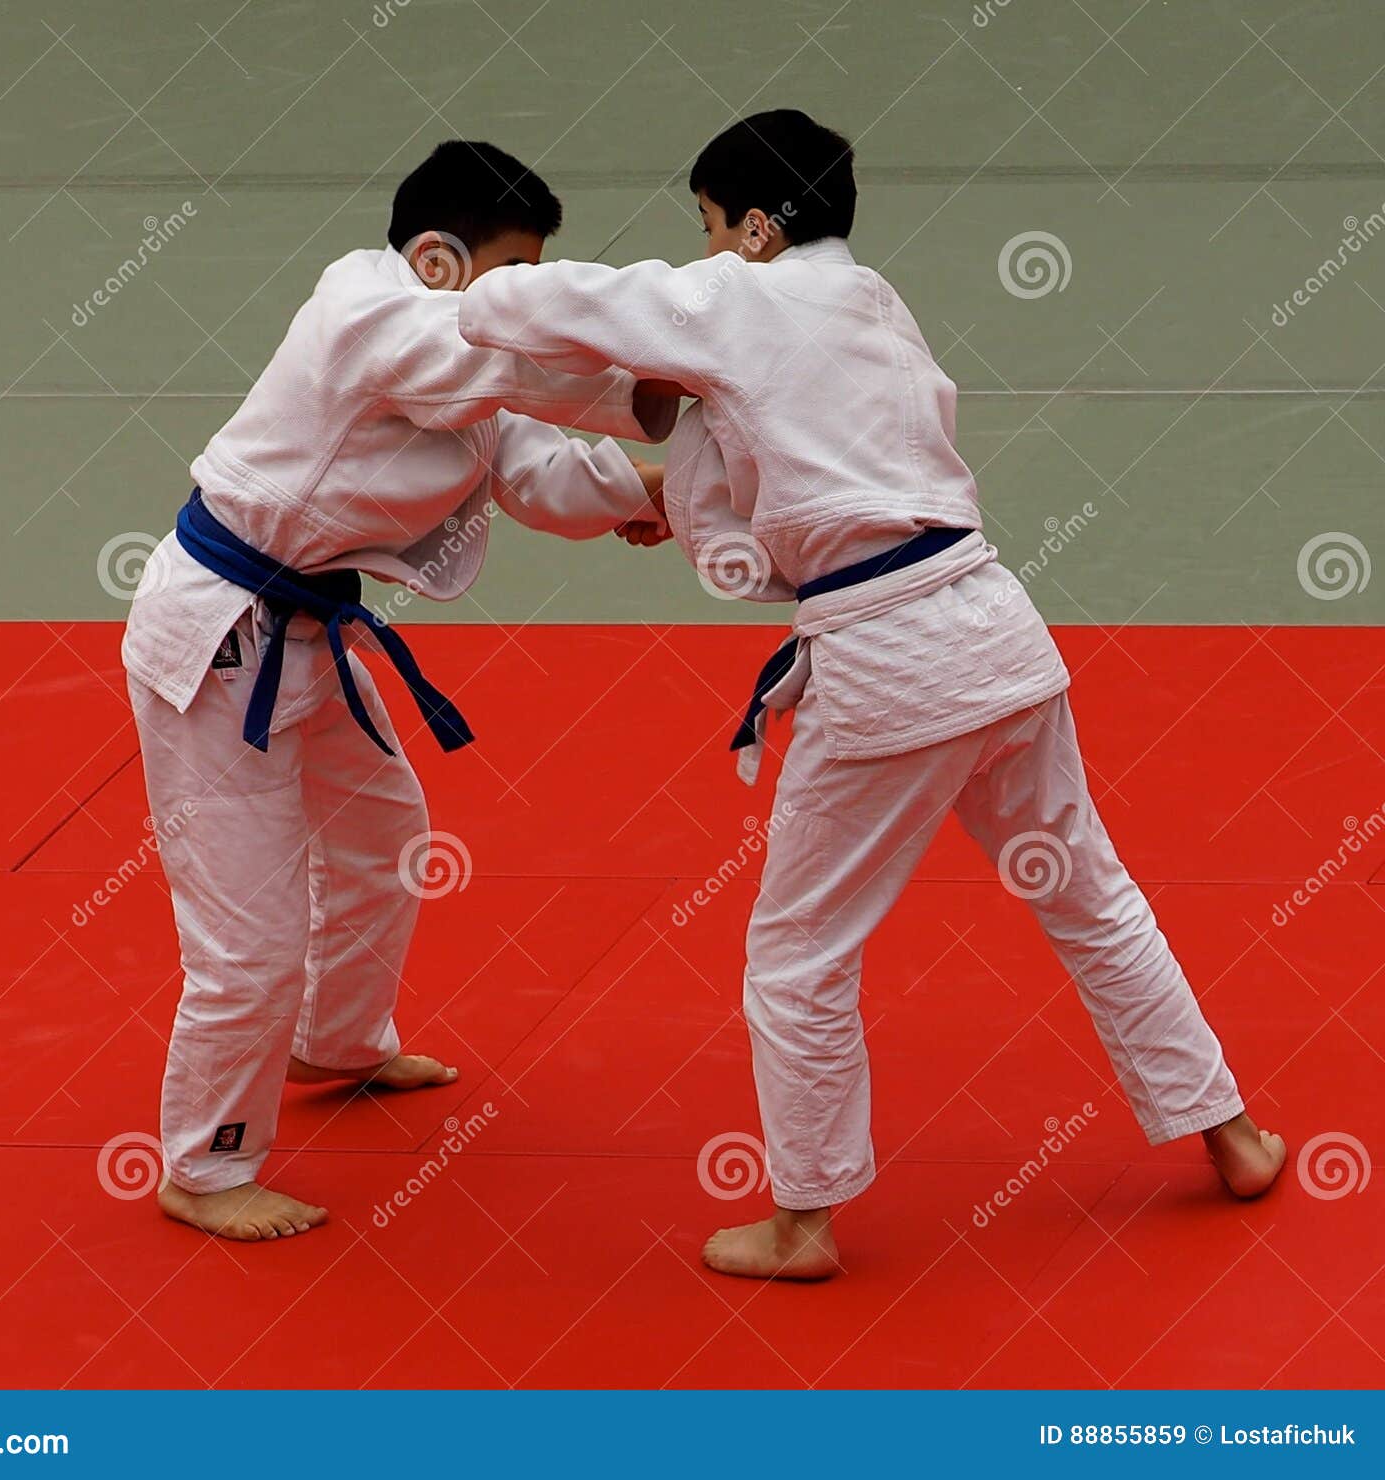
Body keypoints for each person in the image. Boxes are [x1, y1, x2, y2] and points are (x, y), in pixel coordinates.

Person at [458, 109, 1285, 1281]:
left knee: (796, 952)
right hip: (996, 631)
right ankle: (1233, 1136)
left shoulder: (735, 298)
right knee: (1091, 897)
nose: (698, 250)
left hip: (891, 663)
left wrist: (461, 290)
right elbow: (772, 459)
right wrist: (686, 471)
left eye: (704, 226)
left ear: (751, 224)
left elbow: (544, 305)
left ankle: (802, 1222)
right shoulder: (875, 302)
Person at [123, 140, 674, 1241]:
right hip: (222, 637)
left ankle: (335, 1040)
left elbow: (537, 470)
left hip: (308, 625)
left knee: (383, 827)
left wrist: (666, 479)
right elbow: (501, 373)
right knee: (248, 936)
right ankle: (204, 1163)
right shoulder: (367, 315)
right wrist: (663, 342)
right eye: (509, 272)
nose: (517, 297)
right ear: (435, 257)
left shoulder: (461, 350)